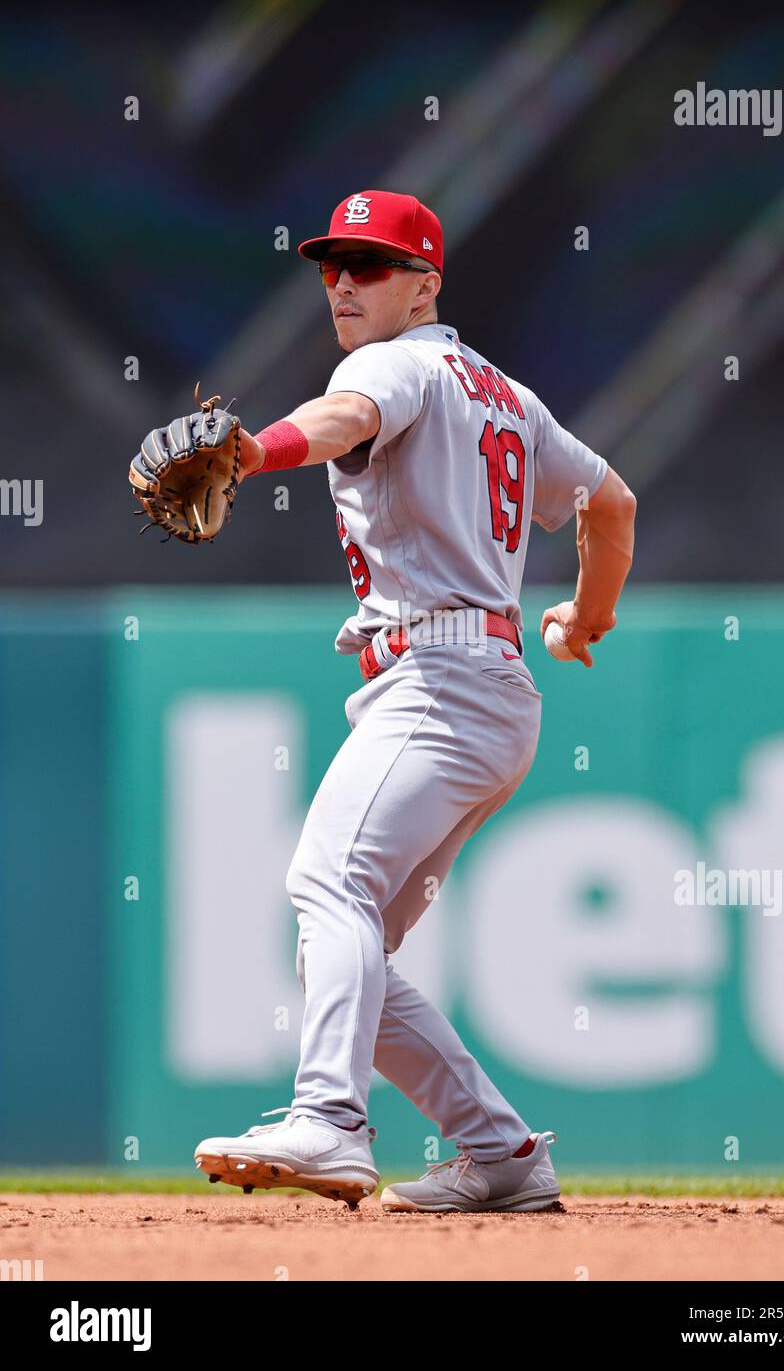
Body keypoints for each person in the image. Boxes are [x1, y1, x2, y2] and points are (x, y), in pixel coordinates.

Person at [193, 190, 636, 1212]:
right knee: (343, 946)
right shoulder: (506, 395)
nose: (345, 282)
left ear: (425, 283)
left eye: (373, 264)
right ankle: (501, 1155)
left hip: (437, 684)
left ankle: (330, 1123)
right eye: (331, 265)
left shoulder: (385, 365)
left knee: (325, 888)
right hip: (487, 689)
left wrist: (254, 450)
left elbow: (343, 416)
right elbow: (608, 502)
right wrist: (586, 618)